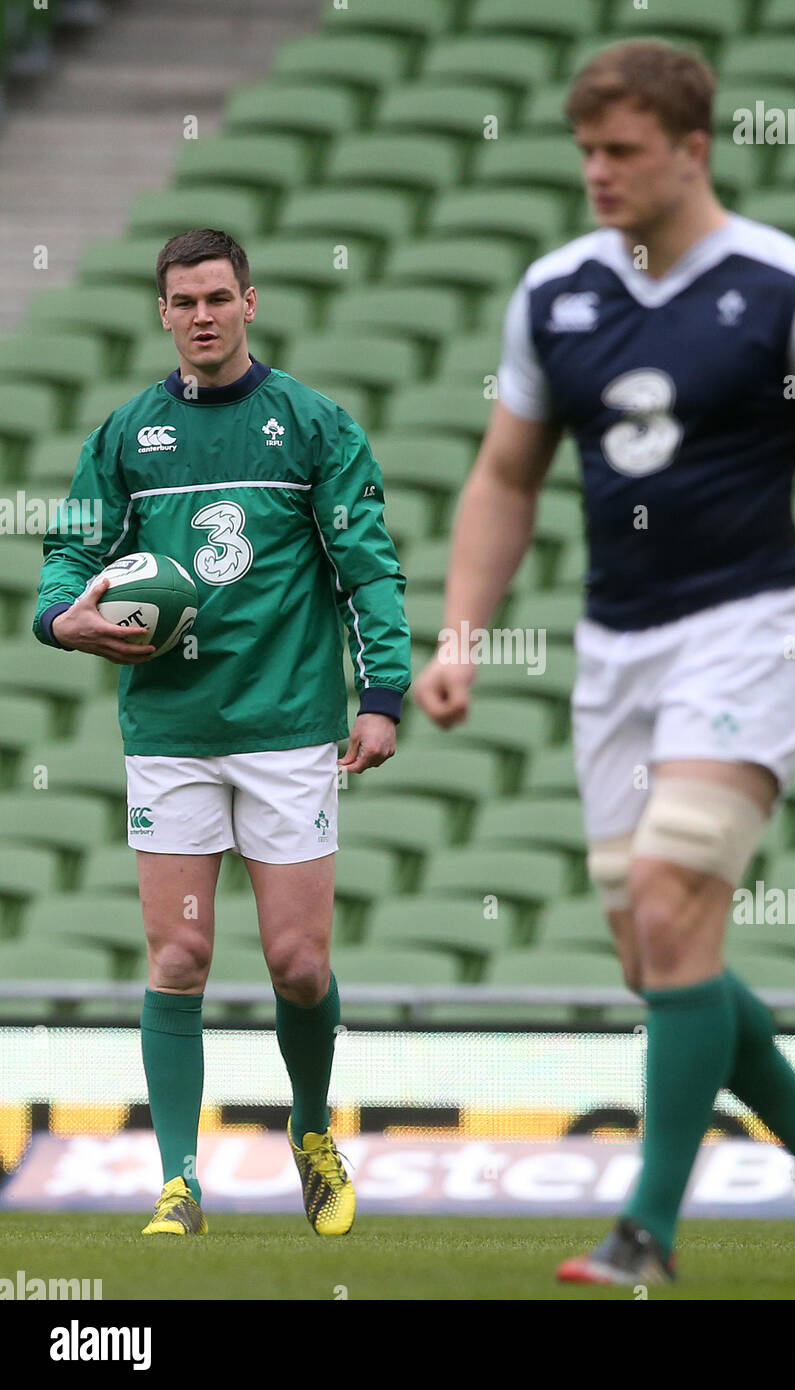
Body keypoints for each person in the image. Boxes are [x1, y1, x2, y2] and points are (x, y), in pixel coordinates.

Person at [412, 41, 795, 1286]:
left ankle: (647, 1232)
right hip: (616, 644)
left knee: (672, 902)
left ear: (692, 149)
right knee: (658, 958)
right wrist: (459, 636)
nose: (597, 174)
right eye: (585, 152)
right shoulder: (555, 292)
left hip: (751, 627)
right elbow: (506, 474)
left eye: (621, 151)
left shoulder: (792, 290)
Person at [33, 228, 412, 1237]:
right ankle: (179, 1182)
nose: (201, 315)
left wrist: (383, 698)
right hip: (169, 729)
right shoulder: (126, 435)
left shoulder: (315, 426)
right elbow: (69, 555)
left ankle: (310, 1130)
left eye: (217, 296)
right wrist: (59, 617)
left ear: (250, 300)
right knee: (179, 957)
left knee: (296, 962)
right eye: (182, 301)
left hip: (290, 729)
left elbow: (368, 569)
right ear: (162, 314)